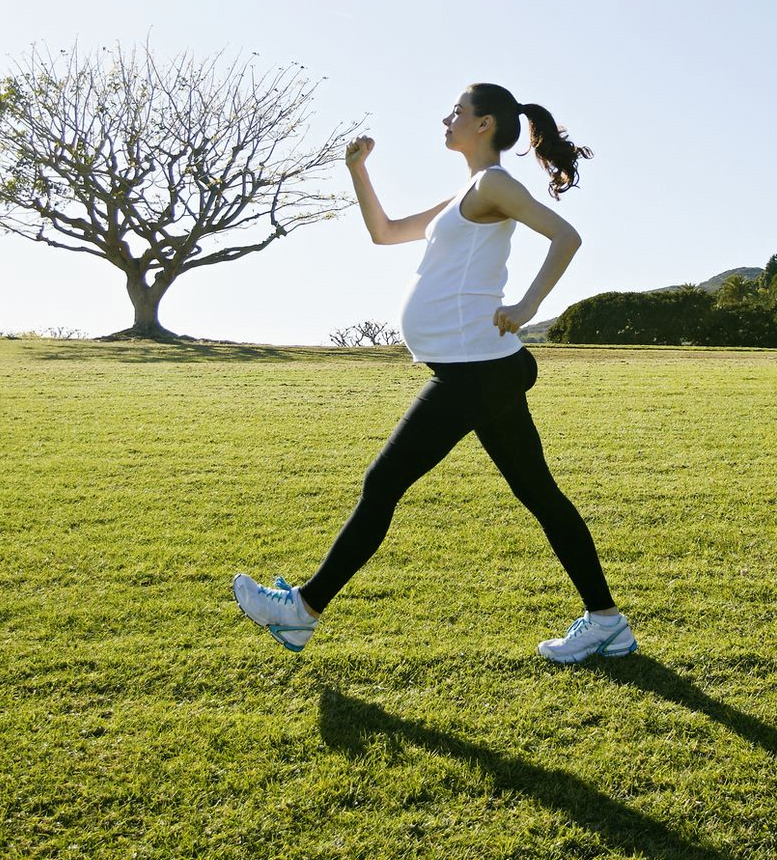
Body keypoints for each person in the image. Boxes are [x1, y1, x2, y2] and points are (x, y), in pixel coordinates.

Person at [233, 83, 637, 664]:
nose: (446, 118)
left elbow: (566, 237)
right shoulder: (466, 193)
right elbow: (386, 232)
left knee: (383, 482)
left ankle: (302, 611)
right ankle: (607, 623)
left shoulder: (495, 183)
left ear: (485, 125)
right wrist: (357, 171)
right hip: (480, 370)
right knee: (538, 493)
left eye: (458, 112)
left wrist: (525, 309)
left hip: (474, 370)